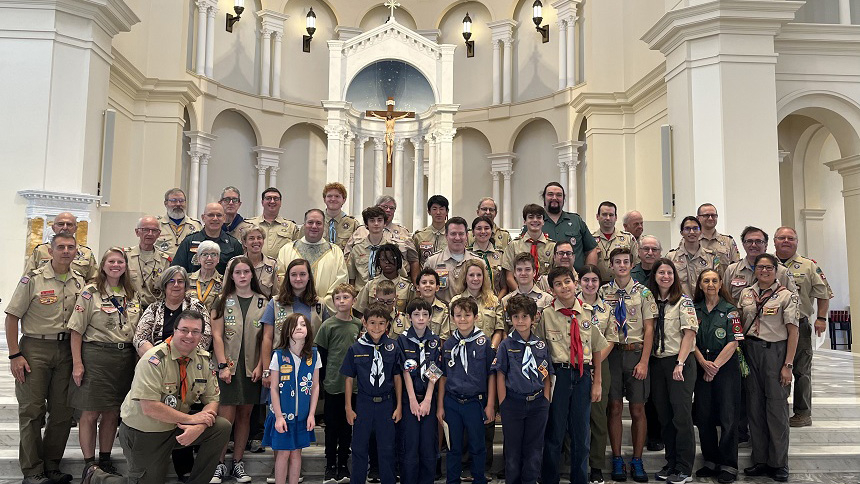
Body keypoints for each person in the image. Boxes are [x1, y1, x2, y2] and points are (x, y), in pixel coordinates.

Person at [82, 310, 231, 484]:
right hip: (145, 432)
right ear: (174, 330)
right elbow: (149, 407)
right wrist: (191, 420)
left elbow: (212, 399)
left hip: (174, 427)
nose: (189, 336)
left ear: (201, 335)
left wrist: (200, 425)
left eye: (195, 331)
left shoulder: (202, 360)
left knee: (221, 427)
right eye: (184, 330)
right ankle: (96, 477)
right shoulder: (153, 359)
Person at [6, 232, 84, 484]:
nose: (65, 251)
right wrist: (14, 355)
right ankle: (32, 471)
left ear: (76, 251)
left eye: (71, 247)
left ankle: (52, 466)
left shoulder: (80, 282)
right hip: (34, 349)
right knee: (32, 411)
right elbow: (12, 317)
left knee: (62, 412)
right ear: (50, 251)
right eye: (60, 247)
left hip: (66, 352)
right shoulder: (33, 280)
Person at [68, 248, 139, 478]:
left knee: (112, 412)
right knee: (90, 412)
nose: (116, 265)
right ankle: (90, 463)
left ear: (126, 266)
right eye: (111, 261)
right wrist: (77, 364)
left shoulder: (131, 293)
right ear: (103, 265)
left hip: (124, 357)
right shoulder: (90, 292)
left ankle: (105, 459)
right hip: (96, 356)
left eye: (120, 261)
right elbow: (76, 330)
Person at [537, 266, 608, 484]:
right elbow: (539, 351)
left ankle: (580, 478)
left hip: (583, 375)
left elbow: (596, 348)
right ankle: (550, 478)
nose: (564, 287)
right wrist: (545, 384)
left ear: (574, 283)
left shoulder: (588, 312)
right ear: (552, 289)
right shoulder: (547, 315)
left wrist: (597, 382)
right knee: (555, 432)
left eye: (567, 282)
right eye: (558, 284)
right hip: (558, 376)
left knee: (581, 433)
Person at [737, 253, 798, 483]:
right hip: (751, 351)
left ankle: (779, 463)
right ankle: (760, 460)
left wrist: (788, 365)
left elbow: (793, 332)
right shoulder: (746, 294)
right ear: (754, 270)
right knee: (755, 407)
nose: (764, 271)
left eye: (768, 268)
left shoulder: (786, 296)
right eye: (760, 267)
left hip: (775, 353)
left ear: (776, 270)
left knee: (776, 409)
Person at [599, 247, 657, 484]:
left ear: (632, 265)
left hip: (635, 354)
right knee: (613, 407)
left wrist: (644, 361)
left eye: (625, 261)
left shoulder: (643, 293)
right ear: (611, 265)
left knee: (637, 410)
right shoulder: (603, 291)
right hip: (612, 354)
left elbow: (650, 329)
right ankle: (616, 458)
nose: (621, 265)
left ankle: (637, 459)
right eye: (617, 262)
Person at [210, 257, 267, 484]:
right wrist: (222, 364)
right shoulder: (222, 300)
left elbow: (267, 337)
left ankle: (238, 463)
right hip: (228, 368)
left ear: (252, 275)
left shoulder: (264, 301)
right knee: (226, 419)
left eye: (246, 272)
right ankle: (219, 464)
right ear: (231, 276)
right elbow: (216, 335)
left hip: (252, 367)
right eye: (237, 272)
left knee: (245, 416)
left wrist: (262, 366)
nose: (242, 276)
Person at [645, 259, 698, 484]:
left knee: (681, 416)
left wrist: (680, 363)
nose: (665, 276)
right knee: (664, 416)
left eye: (669, 273)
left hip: (679, 363)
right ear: (655, 276)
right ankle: (671, 463)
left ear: (674, 276)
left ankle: (684, 467)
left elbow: (689, 334)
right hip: (657, 363)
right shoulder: (650, 301)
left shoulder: (683, 301)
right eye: (661, 273)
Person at [774, 226, 832, 428]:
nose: (786, 241)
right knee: (773, 369)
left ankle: (802, 412)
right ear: (774, 241)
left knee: (801, 370)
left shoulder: (808, 266)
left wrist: (822, 318)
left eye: (791, 238)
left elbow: (824, 293)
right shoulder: (765, 264)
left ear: (797, 242)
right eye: (782, 238)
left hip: (799, 325)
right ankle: (776, 409)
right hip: (772, 326)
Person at [341, 304, 404, 484]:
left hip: (386, 403)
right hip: (364, 403)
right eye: (372, 323)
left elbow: (397, 376)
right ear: (365, 323)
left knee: (387, 448)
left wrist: (399, 405)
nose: (376, 328)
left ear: (387, 325)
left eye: (381, 323)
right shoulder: (356, 348)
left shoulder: (393, 347)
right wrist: (348, 407)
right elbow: (348, 378)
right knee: (359, 448)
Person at [437, 297, 497, 484]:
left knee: (478, 445)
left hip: (475, 402)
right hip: (452, 401)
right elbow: (443, 377)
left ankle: (479, 479)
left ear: (476, 317)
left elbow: (491, 375)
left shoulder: (484, 342)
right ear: (453, 318)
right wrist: (440, 406)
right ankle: (452, 480)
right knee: (454, 446)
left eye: (467, 315)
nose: (463, 319)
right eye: (458, 315)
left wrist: (490, 404)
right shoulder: (447, 344)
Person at [494, 294, 553, 484]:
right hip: (513, 403)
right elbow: (501, 374)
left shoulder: (541, 345)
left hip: (537, 403)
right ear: (510, 319)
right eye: (516, 317)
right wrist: (503, 402)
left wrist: (545, 399)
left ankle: (530, 480)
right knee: (512, 449)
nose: (520, 321)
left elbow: (546, 374)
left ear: (534, 317)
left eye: (525, 316)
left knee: (534, 448)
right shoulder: (506, 345)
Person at [692, 269, 743, 484]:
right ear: (700, 285)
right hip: (701, 362)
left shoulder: (731, 311)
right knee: (703, 415)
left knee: (728, 416)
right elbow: (689, 339)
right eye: (706, 281)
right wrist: (704, 364)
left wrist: (714, 367)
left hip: (726, 365)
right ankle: (710, 461)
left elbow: (734, 341)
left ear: (721, 283)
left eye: (714, 280)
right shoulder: (694, 310)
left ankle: (729, 464)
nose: (710, 284)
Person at [263, 313, 321, 484]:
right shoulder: (279, 356)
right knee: (283, 453)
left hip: (302, 415)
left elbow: (315, 386)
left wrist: (311, 414)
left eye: (303, 324)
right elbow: (273, 388)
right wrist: (279, 416)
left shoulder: (314, 355)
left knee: (296, 453)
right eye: (294, 325)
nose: (299, 328)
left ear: (308, 330)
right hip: (283, 415)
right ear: (286, 331)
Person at [315, 283, 363, 484]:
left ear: (353, 300)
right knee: (332, 426)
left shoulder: (359, 325)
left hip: (354, 386)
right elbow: (322, 357)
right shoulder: (328, 326)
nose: (341, 301)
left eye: (346, 297)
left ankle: (344, 464)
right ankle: (330, 465)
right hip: (333, 384)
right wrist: (322, 383)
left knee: (347, 426)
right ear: (333, 302)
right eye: (338, 298)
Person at [397, 298, 443, 484]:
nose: (421, 318)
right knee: (410, 445)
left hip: (428, 400)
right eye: (416, 314)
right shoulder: (402, 340)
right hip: (411, 400)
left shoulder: (434, 340)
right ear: (409, 317)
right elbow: (404, 371)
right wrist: (413, 401)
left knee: (427, 445)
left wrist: (428, 400)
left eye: (425, 314)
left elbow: (434, 370)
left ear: (430, 317)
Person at [576, 264, 614, 484]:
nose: (590, 284)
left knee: (598, 417)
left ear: (599, 283)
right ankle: (575, 461)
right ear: (579, 281)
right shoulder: (572, 304)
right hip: (575, 365)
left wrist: (595, 362)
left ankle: (596, 466)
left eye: (594, 280)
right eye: (586, 280)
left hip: (601, 364)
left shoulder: (607, 309)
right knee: (575, 416)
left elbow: (611, 338)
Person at [630, 234, 665, 453]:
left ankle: (656, 435)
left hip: (662, 338)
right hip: (636, 339)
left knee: (657, 395)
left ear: (660, 252)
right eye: (646, 249)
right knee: (641, 395)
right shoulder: (630, 274)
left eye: (654, 249)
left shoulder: (665, 273)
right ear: (638, 252)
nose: (650, 253)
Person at [133, 266, 212, 357]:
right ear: (164, 285)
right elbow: (139, 338)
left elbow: (206, 336)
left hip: (189, 359)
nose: (176, 285)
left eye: (180, 281)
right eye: (171, 281)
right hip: (158, 361)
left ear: (185, 285)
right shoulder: (154, 308)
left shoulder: (197, 306)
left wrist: (182, 358)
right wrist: (158, 358)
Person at [277, 209, 348, 302]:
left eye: (318, 223)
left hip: (325, 310)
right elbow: (280, 278)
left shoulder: (335, 252)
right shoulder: (287, 249)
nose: (314, 226)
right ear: (304, 225)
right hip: (292, 306)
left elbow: (341, 282)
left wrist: (322, 303)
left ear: (324, 226)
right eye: (310, 222)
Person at [347, 196, 420, 279]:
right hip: (362, 285)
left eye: (392, 208)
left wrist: (415, 286)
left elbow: (413, 260)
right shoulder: (360, 231)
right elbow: (348, 259)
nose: (388, 210)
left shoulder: (403, 232)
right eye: (385, 207)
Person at [722, 226, 796, 303]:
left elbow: (793, 300)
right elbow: (724, 300)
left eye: (758, 241)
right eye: (749, 241)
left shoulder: (781, 271)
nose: (753, 245)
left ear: (766, 245)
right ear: (743, 244)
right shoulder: (732, 270)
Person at [347, 206, 409, 294]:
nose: (376, 223)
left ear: (384, 223)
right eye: (372, 220)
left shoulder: (391, 249)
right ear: (366, 224)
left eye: (379, 220)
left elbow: (402, 274)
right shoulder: (357, 249)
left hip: (385, 295)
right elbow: (351, 278)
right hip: (361, 294)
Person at [23, 212, 99, 283]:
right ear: (53, 228)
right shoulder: (40, 250)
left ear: (75, 228)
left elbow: (94, 280)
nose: (65, 227)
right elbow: (28, 279)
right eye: (61, 224)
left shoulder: (86, 253)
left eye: (69, 224)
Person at [172, 202, 244, 275]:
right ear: (203, 218)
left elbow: (240, 273)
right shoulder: (189, 242)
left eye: (219, 215)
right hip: (193, 285)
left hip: (223, 285)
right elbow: (176, 271)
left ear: (224, 218)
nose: (215, 218)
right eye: (211, 215)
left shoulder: (234, 244)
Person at [539, 182, 598, 270]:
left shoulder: (576, 221)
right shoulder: (535, 223)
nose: (554, 198)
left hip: (575, 279)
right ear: (544, 198)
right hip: (545, 280)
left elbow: (592, 250)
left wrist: (587, 274)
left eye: (559, 195)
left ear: (564, 199)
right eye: (550, 194)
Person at [423, 217, 482, 303]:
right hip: (441, 314)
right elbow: (425, 292)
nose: (457, 238)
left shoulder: (478, 262)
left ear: (467, 236)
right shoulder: (432, 262)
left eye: (461, 234)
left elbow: (486, 291)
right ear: (446, 236)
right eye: (453, 234)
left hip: (470, 313)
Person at [450, 260, 505, 349]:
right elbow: (453, 330)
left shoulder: (493, 301)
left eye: (479, 275)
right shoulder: (456, 301)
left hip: (488, 351)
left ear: (484, 277)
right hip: (463, 350)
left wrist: (491, 349)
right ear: (465, 277)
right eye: (471, 275)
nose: (476, 279)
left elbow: (499, 330)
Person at [502, 204, 556, 291]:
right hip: (520, 296)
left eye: (539, 217)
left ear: (543, 221)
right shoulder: (514, 245)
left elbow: (556, 276)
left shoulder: (552, 246)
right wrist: (523, 295)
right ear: (525, 221)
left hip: (546, 296)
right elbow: (509, 277)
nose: (535, 220)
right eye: (531, 217)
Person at [666, 216, 722, 297]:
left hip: (705, 305)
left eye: (695, 228)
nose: (692, 232)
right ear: (682, 233)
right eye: (687, 229)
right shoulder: (671, 257)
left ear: (700, 232)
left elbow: (717, 284)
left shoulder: (711, 257)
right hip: (681, 305)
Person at [126, 216, 173, 309]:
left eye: (154, 230)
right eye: (145, 230)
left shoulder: (165, 261)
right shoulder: (125, 256)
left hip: (154, 310)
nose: (150, 234)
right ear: (137, 232)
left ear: (159, 234)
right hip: (129, 309)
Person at [355, 243, 414, 315]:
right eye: (383, 259)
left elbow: (412, 313)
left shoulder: (407, 287)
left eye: (391, 259)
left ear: (398, 260)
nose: (387, 262)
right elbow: (358, 311)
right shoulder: (370, 285)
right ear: (379, 262)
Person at [500, 252, 553, 329]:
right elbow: (504, 331)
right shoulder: (506, 301)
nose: (523, 273)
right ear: (514, 273)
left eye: (527, 269)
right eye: (519, 270)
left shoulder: (547, 299)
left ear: (534, 272)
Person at [244, 187, 300, 259]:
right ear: (262, 202)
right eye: (268, 198)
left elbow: (296, 252)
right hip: (253, 268)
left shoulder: (291, 227)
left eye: (276, 199)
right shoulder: (248, 224)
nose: (272, 201)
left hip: (281, 269)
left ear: (280, 203)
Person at [592, 201, 640, 282]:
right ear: (597, 216)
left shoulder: (627, 238)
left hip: (622, 284)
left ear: (616, 217)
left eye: (611, 215)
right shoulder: (590, 239)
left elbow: (636, 263)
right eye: (604, 214)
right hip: (597, 284)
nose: (608, 218)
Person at [155, 188, 203, 256]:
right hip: (163, 266)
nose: (178, 204)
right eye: (174, 201)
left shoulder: (196, 225)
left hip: (187, 266)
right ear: (166, 203)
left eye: (181, 201)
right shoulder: (156, 224)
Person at [469, 216, 506, 296]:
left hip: (496, 302)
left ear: (491, 231)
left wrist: (496, 302)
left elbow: (504, 287)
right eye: (479, 228)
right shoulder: (467, 254)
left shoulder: (501, 255)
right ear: (473, 232)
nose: (483, 231)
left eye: (486, 228)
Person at [241, 224, 279, 298]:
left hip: (265, 308)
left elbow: (276, 295)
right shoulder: (234, 264)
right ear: (245, 243)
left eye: (259, 238)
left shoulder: (272, 264)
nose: (256, 241)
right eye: (251, 238)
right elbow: (226, 292)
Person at [186, 240, 223, 310]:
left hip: (213, 319)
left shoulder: (224, 282)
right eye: (205, 254)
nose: (209, 258)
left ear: (218, 259)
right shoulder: (187, 279)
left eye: (213, 254)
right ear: (198, 259)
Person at [413, 195, 450, 266]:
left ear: (447, 211)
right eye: (434, 209)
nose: (438, 212)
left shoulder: (453, 235)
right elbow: (415, 260)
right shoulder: (420, 235)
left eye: (441, 209)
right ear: (429, 212)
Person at [415, 268, 451, 339]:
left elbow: (444, 336)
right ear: (418, 287)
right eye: (424, 282)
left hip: (437, 347)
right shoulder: (412, 307)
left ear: (437, 287)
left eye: (431, 283)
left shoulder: (443, 308)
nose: (428, 285)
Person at [321, 182, 359, 250]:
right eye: (329, 196)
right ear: (324, 199)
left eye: (337, 196)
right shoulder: (315, 222)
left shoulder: (353, 224)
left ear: (344, 200)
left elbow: (357, 249)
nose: (333, 199)